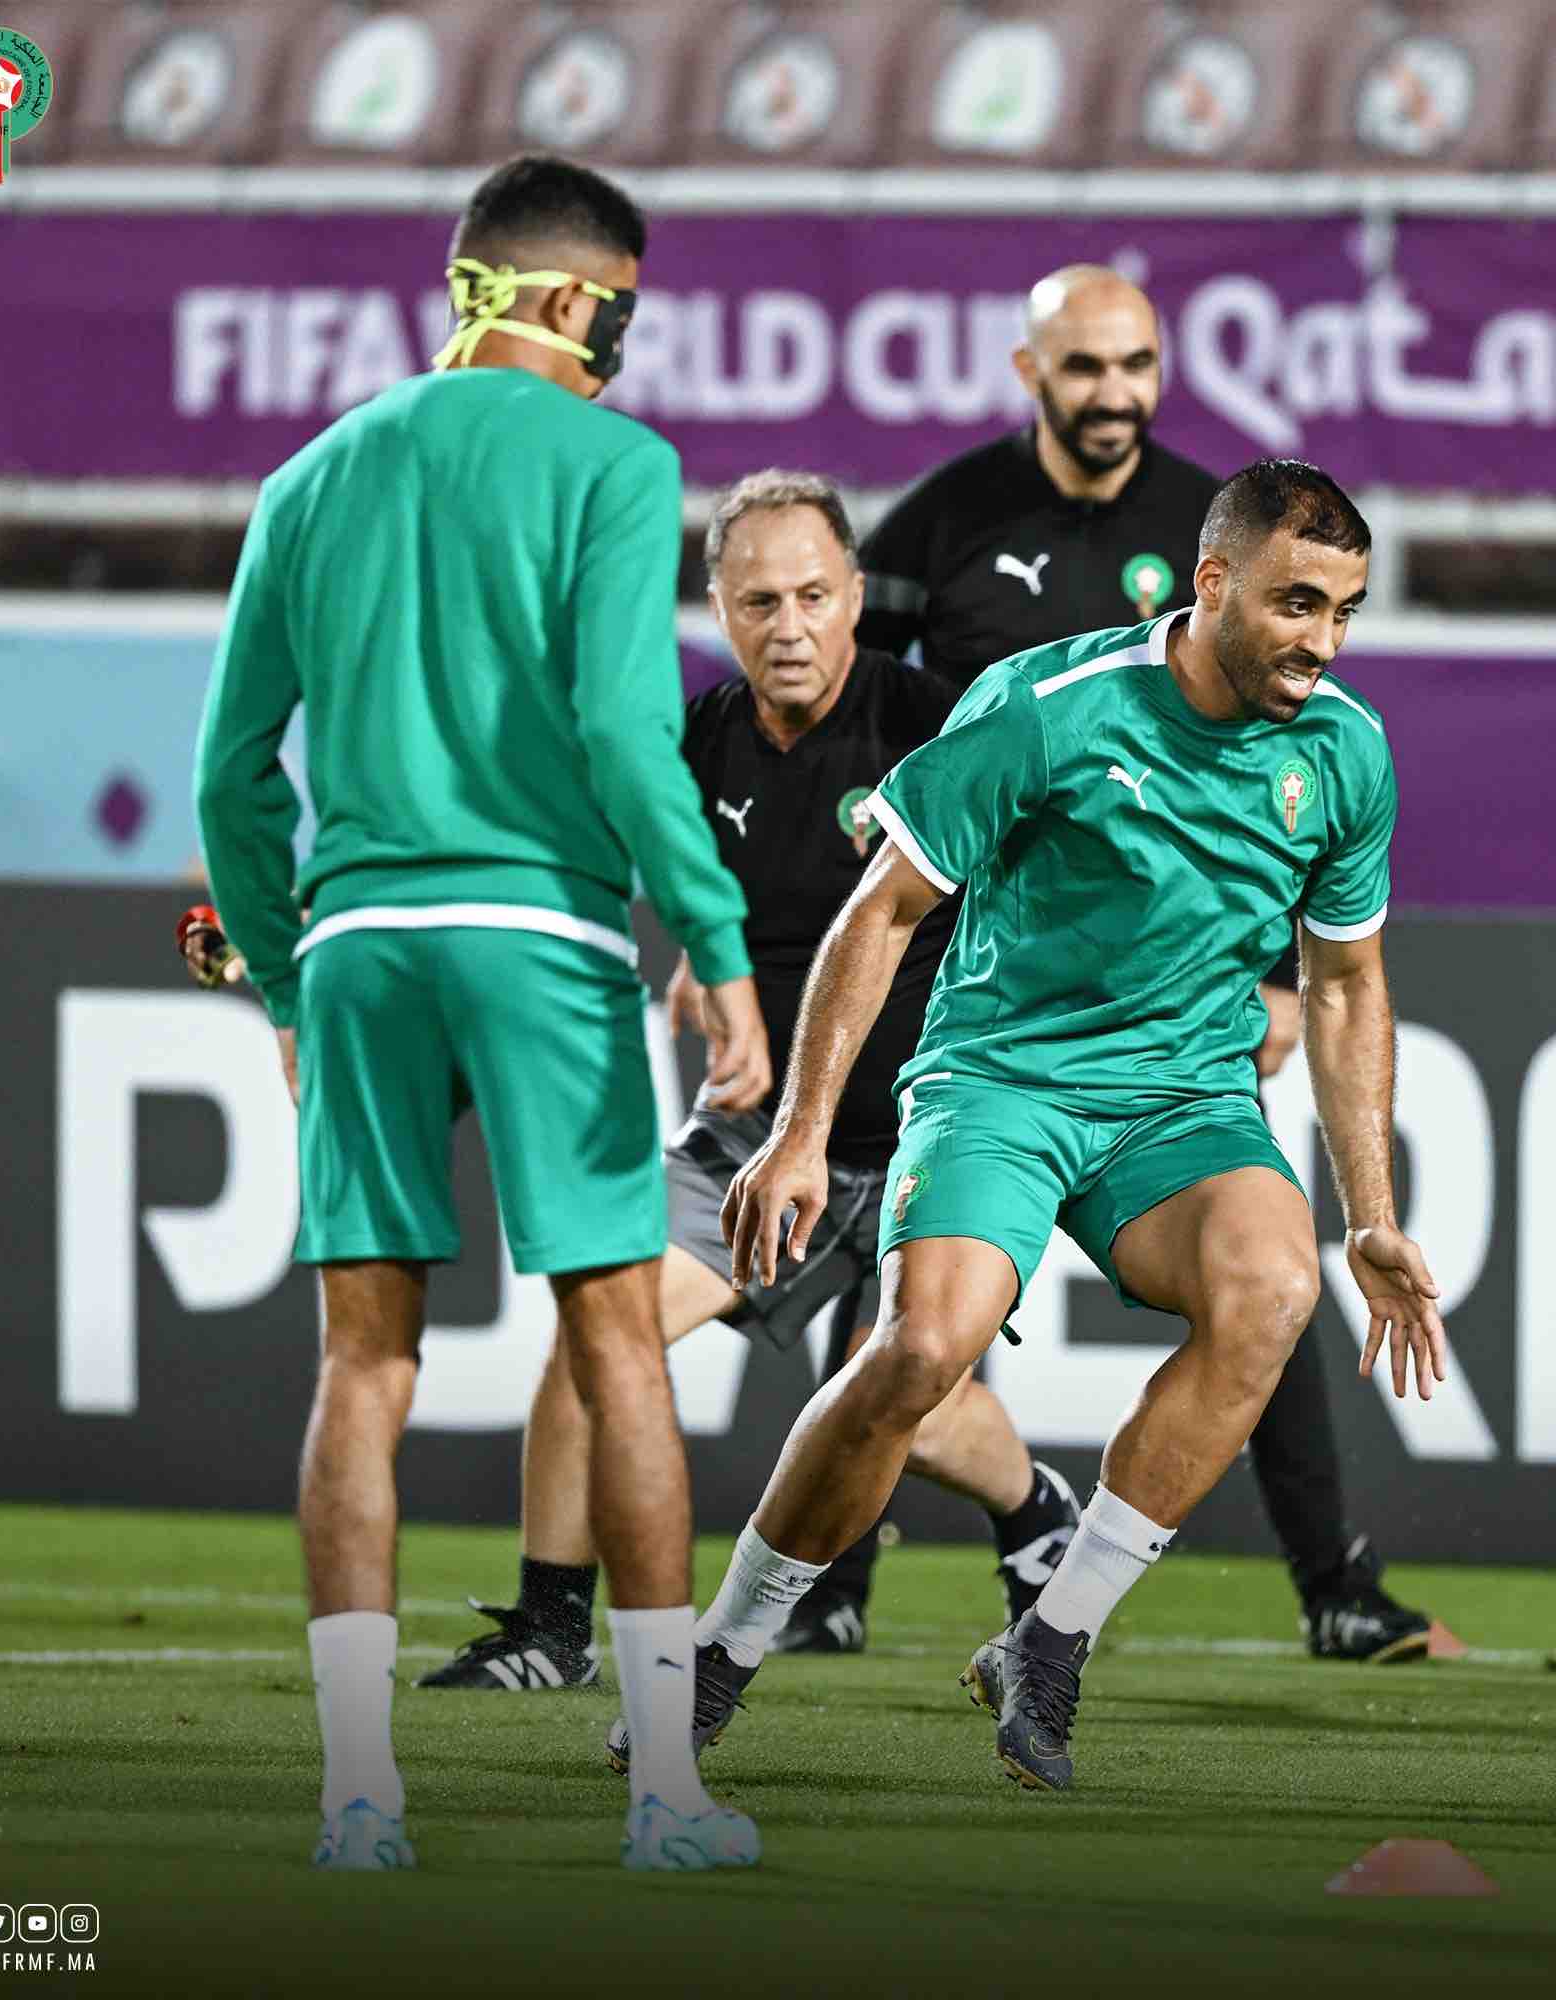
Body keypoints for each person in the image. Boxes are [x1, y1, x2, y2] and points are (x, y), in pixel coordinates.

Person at [626, 459, 1448, 1795]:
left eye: (1346, 612)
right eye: (1298, 605)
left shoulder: (1346, 752)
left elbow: (1348, 982)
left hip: (1183, 1100)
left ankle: (1049, 1641)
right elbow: (880, 913)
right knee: (920, 1353)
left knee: (1273, 1286)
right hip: (1000, 1077)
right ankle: (721, 1653)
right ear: (1215, 581)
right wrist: (796, 1130)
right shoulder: (1047, 706)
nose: (1323, 643)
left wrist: (1374, 1215)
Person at [192, 153, 769, 1874]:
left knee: (361, 1363)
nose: (626, 350)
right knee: (611, 1349)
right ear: (578, 301)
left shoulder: (311, 475)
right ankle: (665, 1795)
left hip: (363, 936)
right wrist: (720, 945)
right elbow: (618, 732)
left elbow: (233, 780)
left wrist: (290, 979)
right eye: (626, 314)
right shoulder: (614, 463)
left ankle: (356, 1801)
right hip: (541, 937)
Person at [416, 470, 1082, 1690]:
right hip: (752, 1138)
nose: (790, 626)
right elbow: (555, 866)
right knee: (596, 1329)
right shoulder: (687, 744)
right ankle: (550, 1628)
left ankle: (1033, 1505)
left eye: (815, 595)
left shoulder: (938, 727)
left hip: (923, 1139)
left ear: (852, 598)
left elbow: (1072, 877)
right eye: (760, 599)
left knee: (899, 1396)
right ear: (717, 607)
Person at [858, 264, 1434, 1664]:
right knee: (912, 1317)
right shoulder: (938, 522)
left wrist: (1286, 982)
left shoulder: (1218, 519)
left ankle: (1329, 1580)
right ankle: (828, 1583)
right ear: (1030, 371)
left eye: (1136, 365)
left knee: (1268, 1278)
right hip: (954, 942)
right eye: (1085, 367)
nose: (1113, 391)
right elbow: (860, 716)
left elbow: (1294, 873)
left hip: (1175, 994)